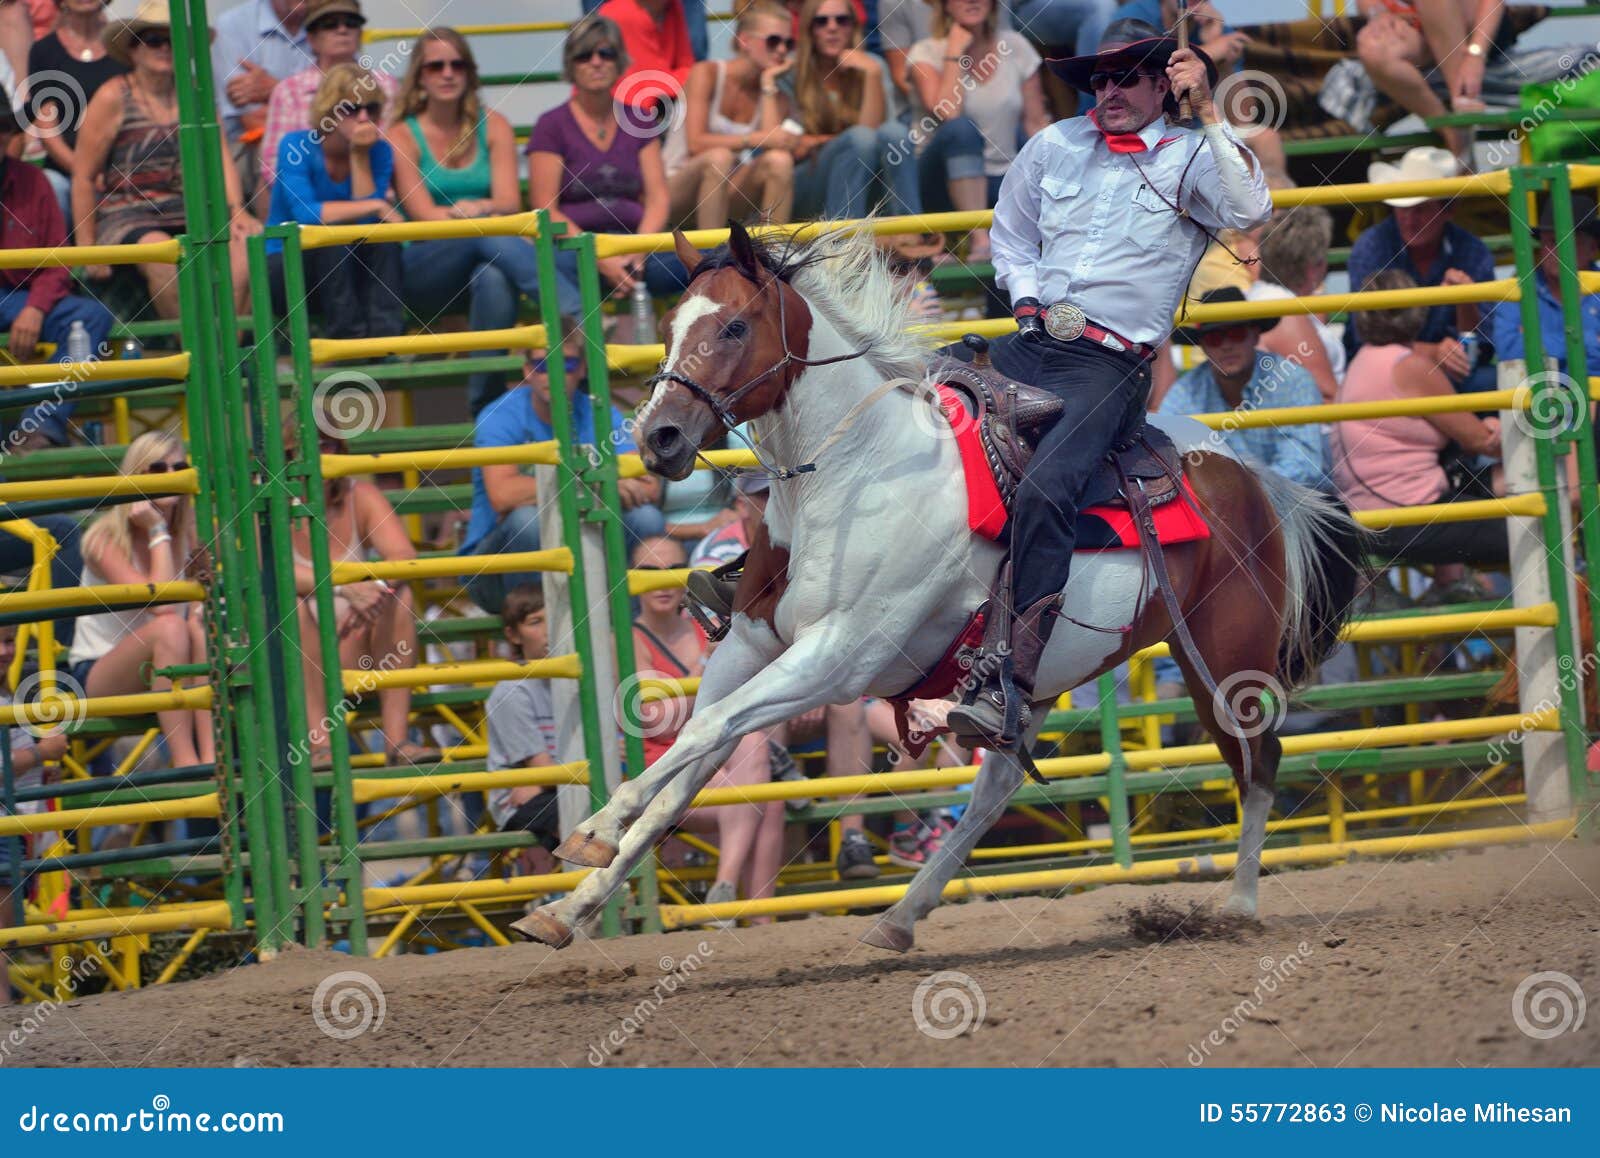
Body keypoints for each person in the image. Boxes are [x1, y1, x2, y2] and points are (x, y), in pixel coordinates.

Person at [945, 18, 1272, 748]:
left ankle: (1009, 680)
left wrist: (1211, 109)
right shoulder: (1054, 143)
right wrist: (1025, 294)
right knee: (922, 402)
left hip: (1113, 365)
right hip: (1033, 338)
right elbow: (1012, 235)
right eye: (1100, 78)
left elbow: (1251, 209)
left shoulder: (1191, 155)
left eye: (1129, 76)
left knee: (1047, 486)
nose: (1110, 90)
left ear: (1166, 84)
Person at [390, 28, 582, 415]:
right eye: (436, 65)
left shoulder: (493, 125)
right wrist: (478, 212)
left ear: (470, 73)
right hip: (425, 267)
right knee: (485, 240)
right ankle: (575, 313)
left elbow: (511, 202)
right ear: (420, 76)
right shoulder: (401, 135)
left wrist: (476, 212)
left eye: (457, 64)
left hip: (487, 255)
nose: (447, 73)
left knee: (491, 276)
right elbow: (423, 215)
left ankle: (486, 404)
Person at [73, 0, 259, 318]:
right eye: (153, 40)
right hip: (129, 213)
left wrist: (236, 209)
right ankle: (195, 356)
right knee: (163, 255)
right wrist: (87, 246)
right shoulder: (113, 95)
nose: (164, 48)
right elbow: (84, 176)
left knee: (244, 254)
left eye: (173, 41)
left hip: (192, 209)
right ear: (133, 50)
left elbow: (220, 155)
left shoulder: (197, 94)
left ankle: (228, 354)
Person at [463, 322, 663, 616]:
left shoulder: (600, 411)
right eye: (542, 364)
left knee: (647, 519)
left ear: (582, 368)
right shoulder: (500, 415)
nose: (553, 374)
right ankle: (543, 634)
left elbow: (647, 486)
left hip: (585, 551)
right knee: (528, 521)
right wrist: (599, 483)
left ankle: (627, 633)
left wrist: (565, 486)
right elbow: (503, 495)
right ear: (527, 371)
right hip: (494, 569)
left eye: (565, 363)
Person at [631, 535, 783, 917]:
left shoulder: (702, 627)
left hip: (721, 761)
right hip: (667, 768)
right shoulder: (630, 637)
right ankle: (732, 901)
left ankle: (747, 911)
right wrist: (707, 669)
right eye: (649, 572)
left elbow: (745, 693)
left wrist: (687, 701)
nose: (661, 582)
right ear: (634, 578)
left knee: (758, 767)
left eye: (671, 571)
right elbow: (652, 719)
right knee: (760, 788)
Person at [287, 416, 437, 770]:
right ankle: (319, 745)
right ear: (287, 457)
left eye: (327, 445)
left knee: (400, 598)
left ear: (341, 450)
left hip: (358, 645)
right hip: (300, 656)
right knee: (289, 606)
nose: (317, 456)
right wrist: (343, 586)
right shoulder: (275, 503)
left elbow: (403, 556)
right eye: (303, 449)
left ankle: (397, 742)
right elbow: (275, 574)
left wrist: (375, 593)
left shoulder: (360, 495)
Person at [1335, 270, 1506, 573]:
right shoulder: (1410, 368)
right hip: (1405, 518)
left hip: (1373, 511)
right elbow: (1482, 442)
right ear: (1415, 307)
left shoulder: (1365, 358)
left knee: (1503, 482)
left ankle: (1453, 588)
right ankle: (1558, 605)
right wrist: (1498, 424)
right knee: (1531, 527)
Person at [68, 432, 213, 772]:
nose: (169, 475)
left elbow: (194, 609)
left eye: (179, 467)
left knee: (199, 624)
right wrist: (157, 531)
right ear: (135, 475)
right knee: (169, 627)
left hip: (171, 669)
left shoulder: (188, 533)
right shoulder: (103, 538)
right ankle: (185, 763)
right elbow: (162, 605)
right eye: (157, 468)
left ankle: (210, 757)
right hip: (103, 674)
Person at [527, 15, 687, 306]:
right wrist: (598, 255)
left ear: (619, 62)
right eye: (584, 55)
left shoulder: (639, 118)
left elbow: (658, 199)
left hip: (637, 250)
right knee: (537, 268)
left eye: (606, 53)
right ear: (570, 66)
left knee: (709, 263)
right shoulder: (551, 125)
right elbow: (546, 209)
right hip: (573, 252)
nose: (596, 62)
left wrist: (638, 250)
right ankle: (577, 346)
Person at [0, 93, 114, 449]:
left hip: (22, 299)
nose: (0, 135)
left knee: (91, 317)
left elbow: (58, 258)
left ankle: (41, 425)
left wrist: (35, 307)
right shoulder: (33, 179)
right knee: (88, 318)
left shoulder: (34, 181)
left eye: (3, 127)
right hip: (18, 299)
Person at [265, 63, 405, 340]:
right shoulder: (295, 146)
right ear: (330, 111)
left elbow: (366, 223)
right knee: (330, 239)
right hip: (289, 270)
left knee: (383, 242)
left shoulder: (379, 151)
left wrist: (359, 155)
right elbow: (306, 215)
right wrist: (377, 205)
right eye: (351, 109)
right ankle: (348, 345)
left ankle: (387, 343)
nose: (364, 117)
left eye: (372, 108)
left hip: (349, 270)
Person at [1344, 146, 1497, 393]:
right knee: (1489, 385)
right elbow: (1367, 337)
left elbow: (1482, 346)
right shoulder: (1372, 246)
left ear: (1449, 210)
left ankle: (1480, 432)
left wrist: (1465, 304)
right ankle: (1481, 433)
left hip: (1439, 374)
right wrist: (1433, 352)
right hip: (1387, 370)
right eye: (1402, 207)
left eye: (1421, 209)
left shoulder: (1472, 250)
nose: (1409, 218)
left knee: (1488, 382)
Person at [906, 0, 1047, 260]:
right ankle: (980, 239)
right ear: (945, 5)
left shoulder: (1014, 45)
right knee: (961, 130)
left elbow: (1036, 123)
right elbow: (948, 112)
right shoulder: (924, 52)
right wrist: (955, 53)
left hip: (999, 178)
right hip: (938, 183)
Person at [1160, 286, 1331, 490]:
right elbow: (1168, 462)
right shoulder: (1185, 392)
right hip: (1227, 510)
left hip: (1291, 512)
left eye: (1236, 333)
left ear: (1255, 335)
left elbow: (1305, 469)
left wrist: (1237, 495)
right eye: (1214, 338)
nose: (1226, 345)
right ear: (1203, 346)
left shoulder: (1293, 381)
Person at [662, 2, 798, 229]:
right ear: (744, 40)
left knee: (780, 162)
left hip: (725, 193)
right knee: (719, 158)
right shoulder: (707, 73)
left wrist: (767, 85)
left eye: (789, 43)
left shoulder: (776, 95)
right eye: (773, 41)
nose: (782, 50)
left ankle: (773, 253)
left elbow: (772, 147)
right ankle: (713, 256)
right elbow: (696, 144)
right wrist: (753, 139)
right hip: (676, 189)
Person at [789, 0, 916, 221]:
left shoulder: (873, 65)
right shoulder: (792, 70)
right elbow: (794, 146)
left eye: (842, 20)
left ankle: (909, 231)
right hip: (808, 182)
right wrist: (839, 142)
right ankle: (844, 242)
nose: (832, 27)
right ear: (809, 29)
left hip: (861, 178)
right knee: (860, 138)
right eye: (821, 21)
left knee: (895, 133)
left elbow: (873, 137)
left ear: (853, 27)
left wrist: (872, 76)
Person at [257, 0, 396, 191]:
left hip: (375, 192)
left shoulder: (386, 84)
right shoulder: (288, 90)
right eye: (330, 24)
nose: (342, 30)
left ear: (360, 34)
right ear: (312, 38)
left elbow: (397, 151)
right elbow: (272, 164)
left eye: (351, 23)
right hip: (306, 201)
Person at [0, 621, 69, 1007]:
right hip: (4, 832)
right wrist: (41, 754)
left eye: (9, 640)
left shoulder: (9, 700)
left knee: (4, 940)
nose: (4, 651)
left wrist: (41, 767)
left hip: (13, 832)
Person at [1354, 0, 1504, 166]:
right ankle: (1454, 135)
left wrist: (1476, 54)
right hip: (1417, 29)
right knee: (1372, 48)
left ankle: (1464, 97)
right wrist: (1380, 16)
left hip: (1477, 28)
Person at [485, 583, 562, 878]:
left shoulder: (581, 677)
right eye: (535, 622)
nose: (548, 630)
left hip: (555, 789)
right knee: (580, 813)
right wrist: (544, 782)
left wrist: (546, 782)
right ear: (513, 635)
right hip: (523, 802)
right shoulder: (511, 691)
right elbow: (542, 770)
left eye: (553, 617)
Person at [26, 0, 127, 221]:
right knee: (52, 187)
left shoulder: (125, 45)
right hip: (65, 170)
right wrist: (85, 174)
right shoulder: (44, 51)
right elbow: (46, 127)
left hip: (123, 170)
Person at [1490, 193, 1600, 377]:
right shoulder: (1516, 290)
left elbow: (1515, 348)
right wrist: (1589, 341)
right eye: (1551, 241)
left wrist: (1533, 340)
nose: (1558, 251)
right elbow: (1508, 351)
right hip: (1539, 397)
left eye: (1570, 241)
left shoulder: (1516, 291)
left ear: (1593, 248)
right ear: (1541, 246)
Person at [1250, 204, 1345, 401]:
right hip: (1317, 429)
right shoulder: (1283, 312)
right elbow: (1326, 394)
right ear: (1313, 267)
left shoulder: (1266, 297)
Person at [212, 0, 311, 144]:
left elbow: (348, 109)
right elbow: (254, 120)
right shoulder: (232, 25)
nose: (343, 28)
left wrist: (276, 89)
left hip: (330, 154)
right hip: (252, 153)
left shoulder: (337, 22)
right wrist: (321, 106)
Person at [596, 0, 695, 115]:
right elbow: (640, 90)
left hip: (660, 102)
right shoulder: (617, 14)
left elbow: (686, 66)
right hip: (629, 111)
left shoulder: (673, 6)